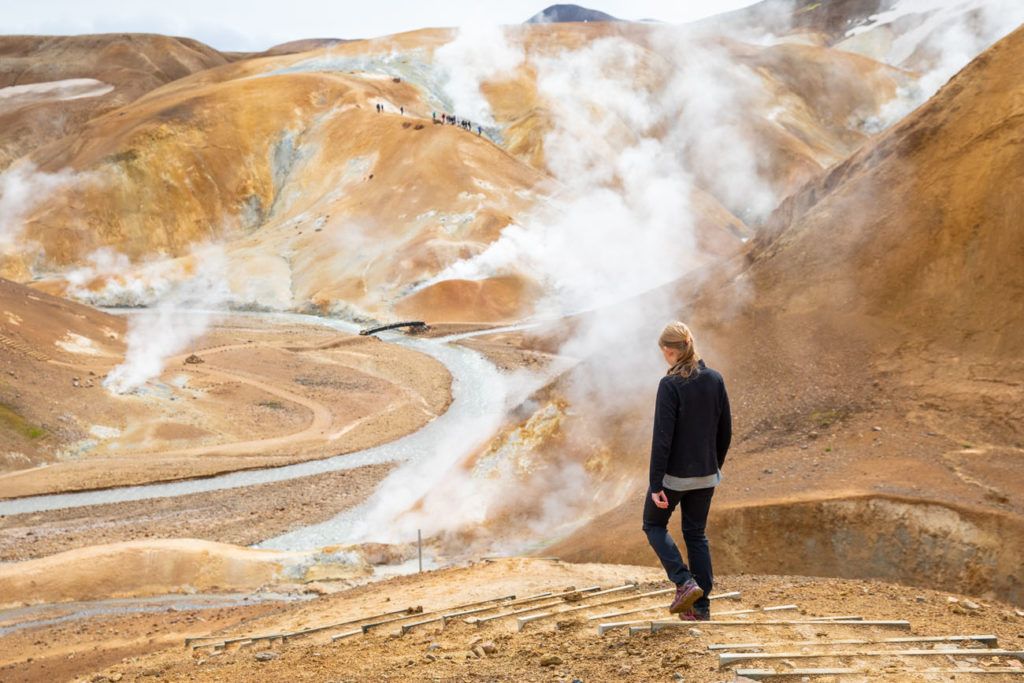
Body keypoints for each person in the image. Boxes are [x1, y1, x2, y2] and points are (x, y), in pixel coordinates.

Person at [643, 321, 731, 621]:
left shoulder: (670, 385)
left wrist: (656, 484)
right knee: (696, 535)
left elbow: (662, 438)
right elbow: (725, 431)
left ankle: (683, 581)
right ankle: (701, 608)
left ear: (669, 352)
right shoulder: (715, 379)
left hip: (674, 477)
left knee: (653, 525)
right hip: (707, 474)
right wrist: (712, 465)